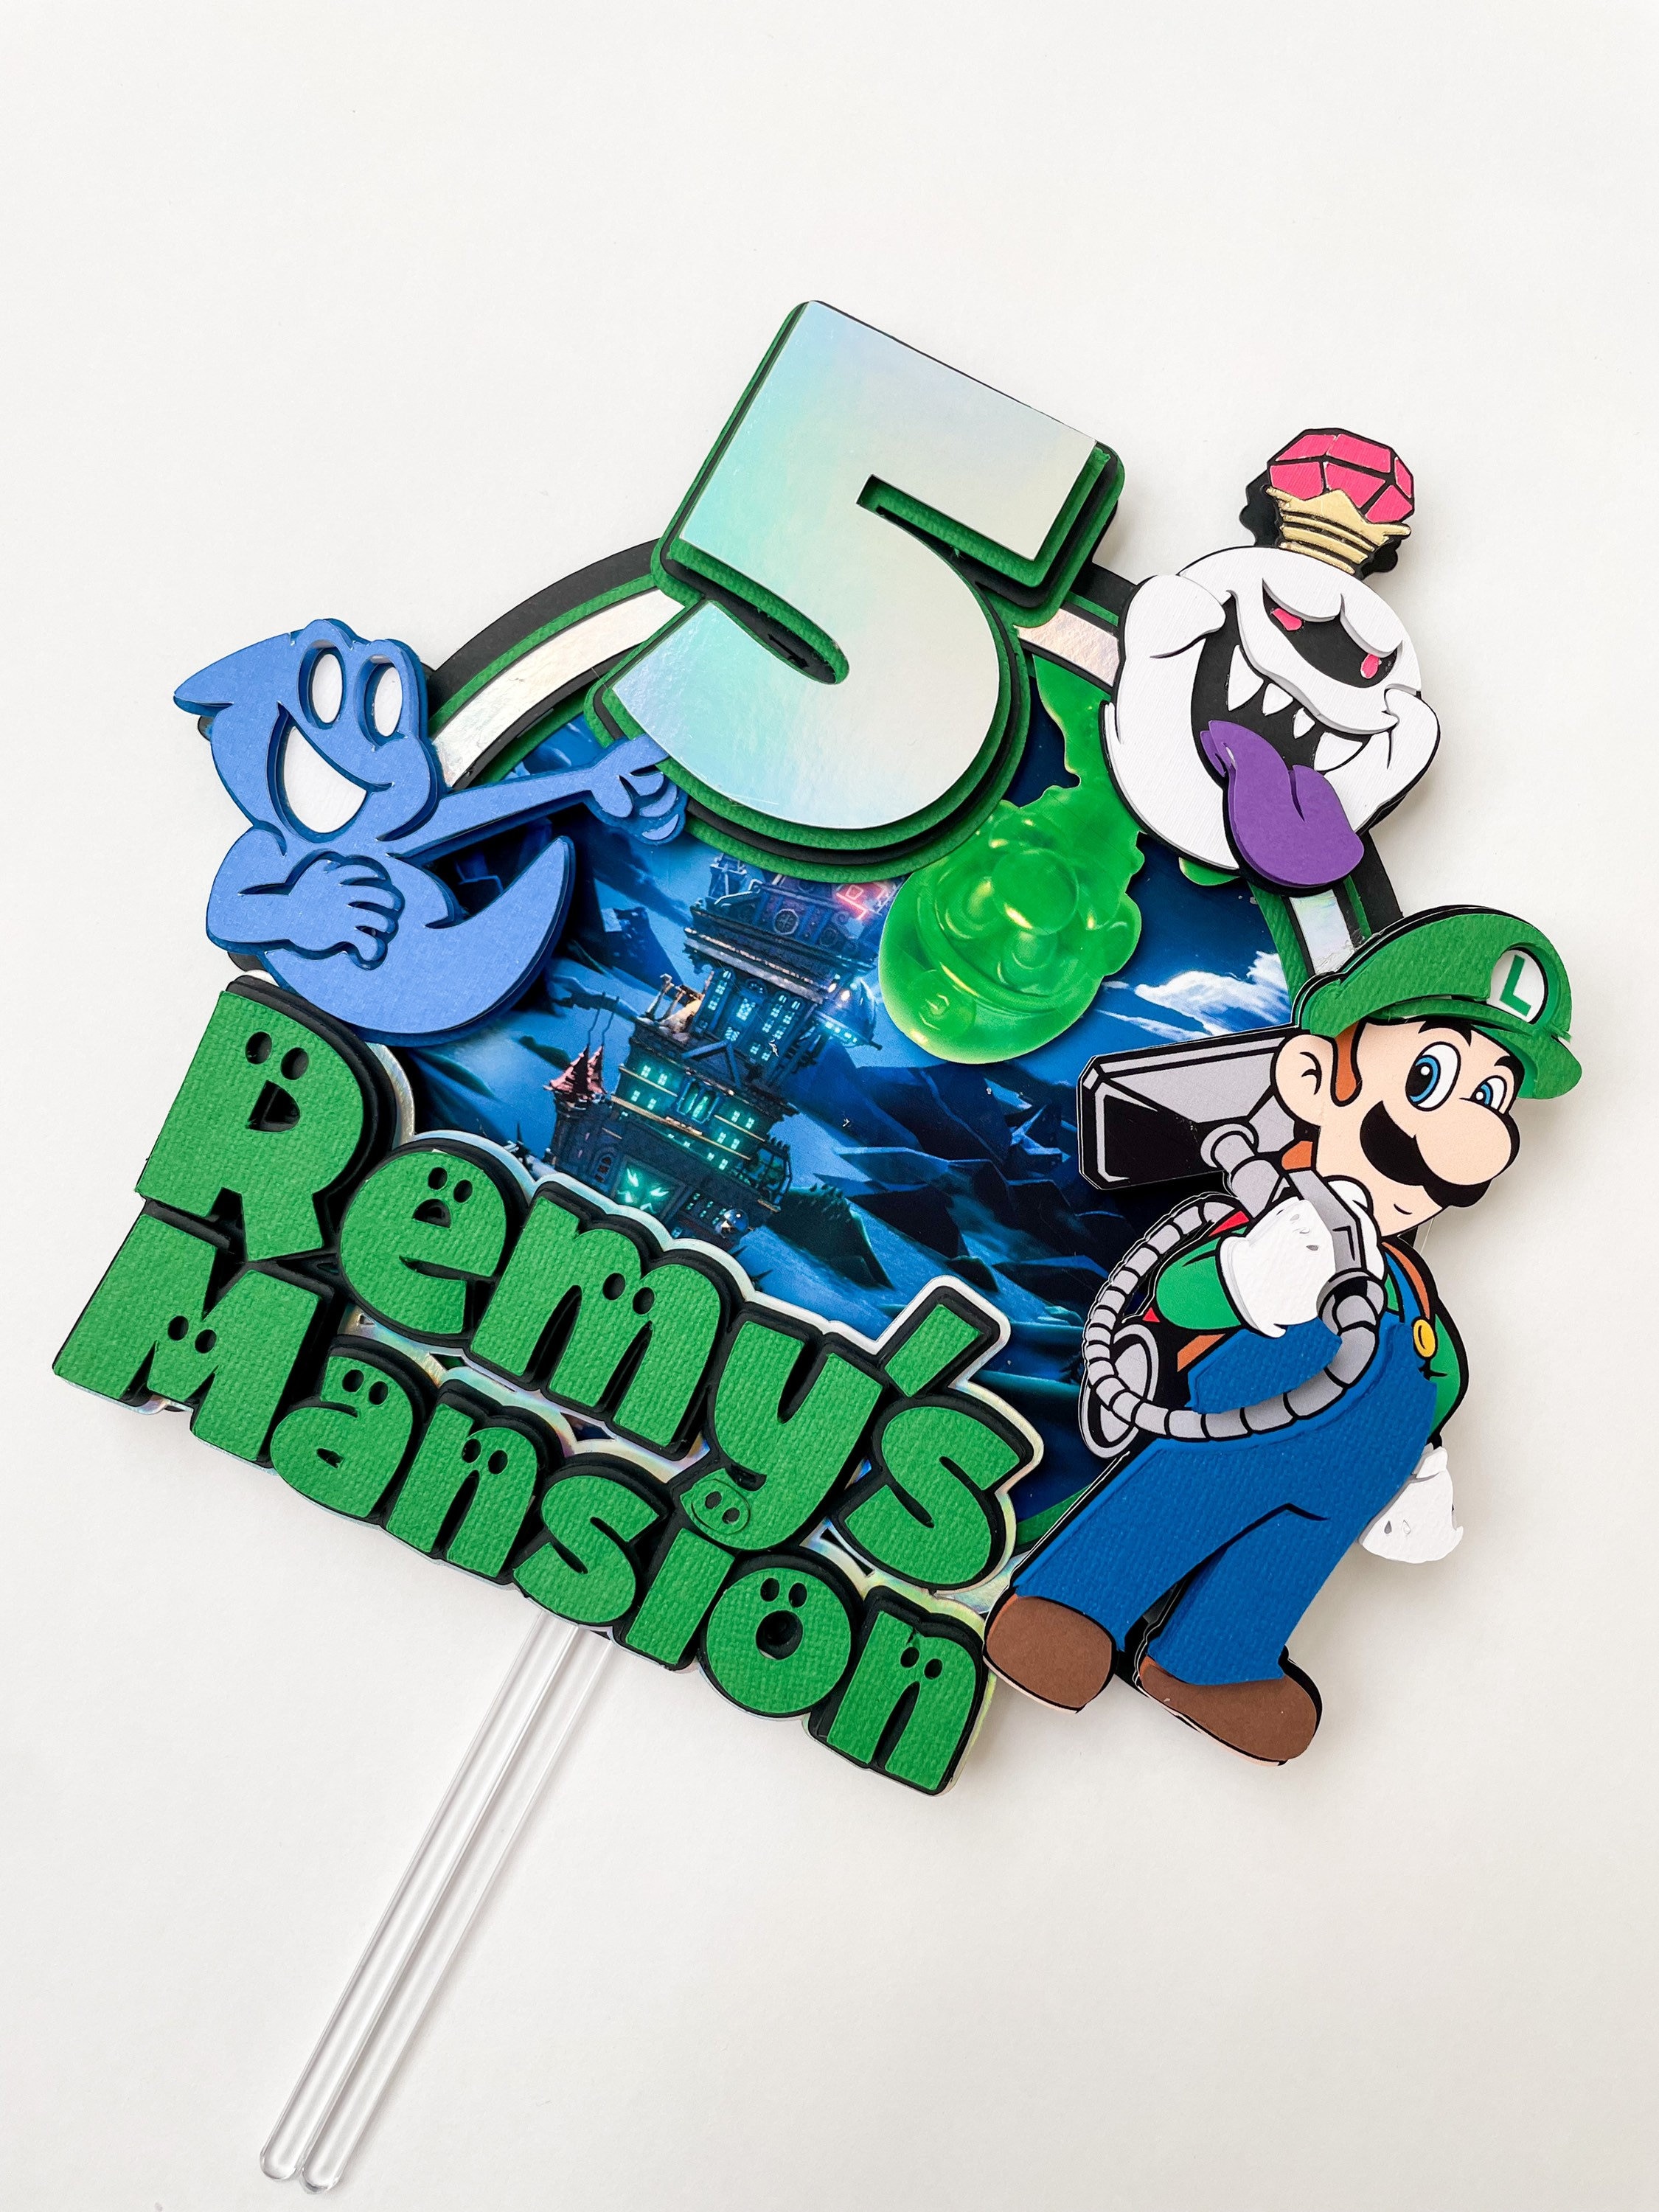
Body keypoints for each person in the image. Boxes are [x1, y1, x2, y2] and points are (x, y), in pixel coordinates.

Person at [984, 907, 1579, 1761]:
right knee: (1191, 1488)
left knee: (1299, 1542)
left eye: (1491, 1097)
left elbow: (1434, 1368)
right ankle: (1073, 1606)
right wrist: (1241, 1280)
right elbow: (1182, 1288)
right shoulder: (1275, 1214)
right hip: (1236, 1419)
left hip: (1344, 1465)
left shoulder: (1410, 1284)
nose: (1472, 1134)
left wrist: (1420, 1465)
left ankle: (1216, 1660)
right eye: (1428, 1078)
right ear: (1313, 1078)